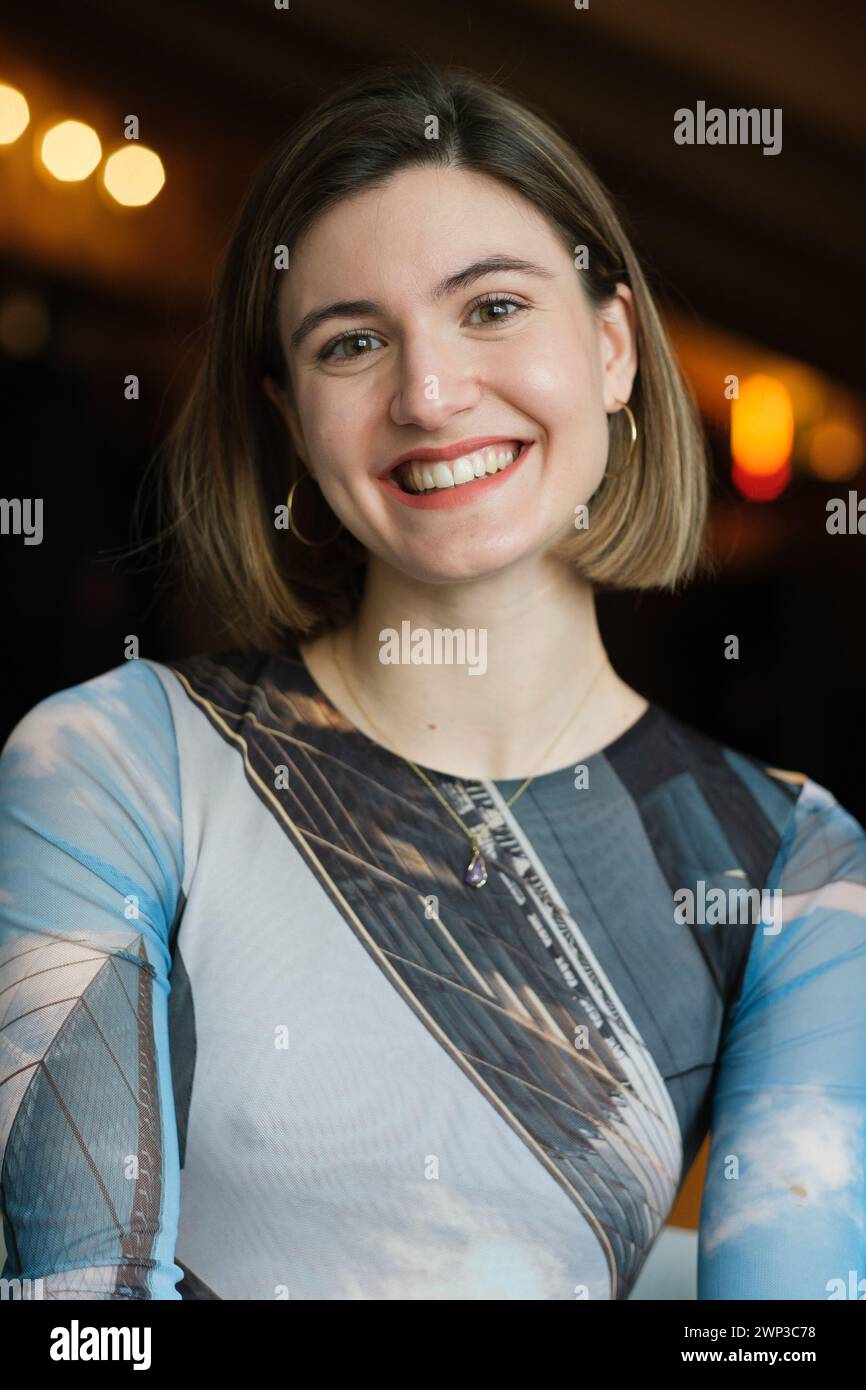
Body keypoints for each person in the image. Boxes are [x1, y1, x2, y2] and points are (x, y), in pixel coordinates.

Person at [1, 62, 864, 1302]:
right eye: (351, 342)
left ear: (612, 347)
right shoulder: (117, 761)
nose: (428, 392)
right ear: (293, 418)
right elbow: (79, 1321)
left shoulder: (789, 866)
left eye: (493, 307)